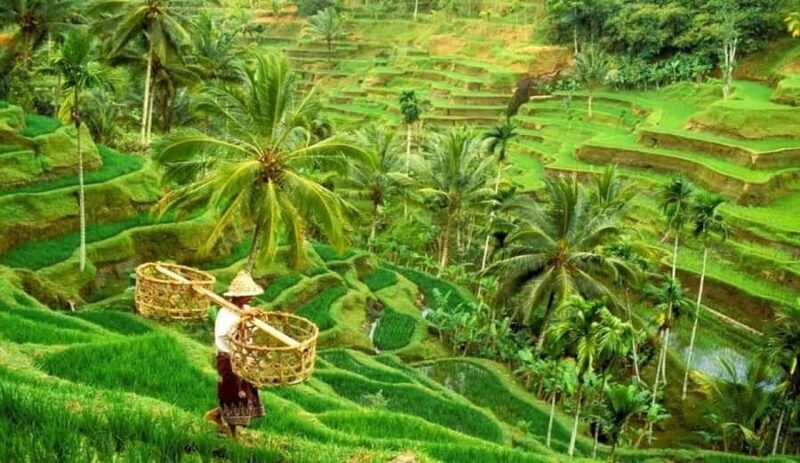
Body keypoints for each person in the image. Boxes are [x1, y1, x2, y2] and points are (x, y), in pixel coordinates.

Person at [205, 271, 266, 436]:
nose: (251, 298)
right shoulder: (225, 313)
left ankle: (217, 415)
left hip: (242, 359)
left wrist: (255, 317)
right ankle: (232, 433)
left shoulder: (245, 309)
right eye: (247, 295)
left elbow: (251, 330)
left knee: (245, 393)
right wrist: (242, 320)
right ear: (237, 297)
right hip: (228, 359)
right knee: (232, 393)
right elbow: (229, 335)